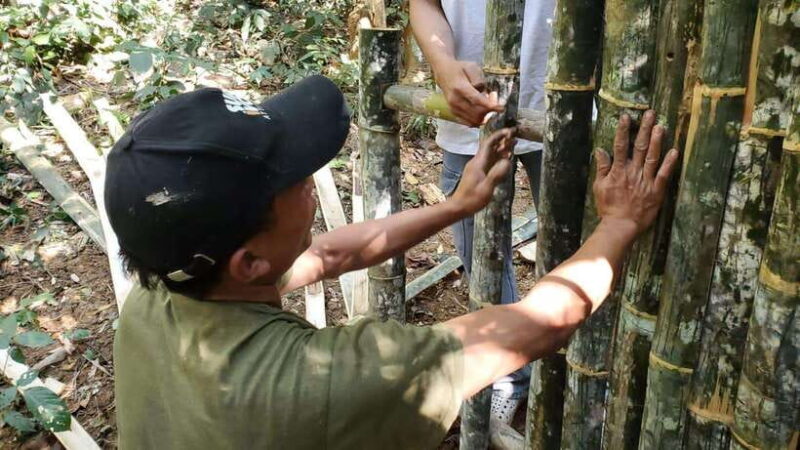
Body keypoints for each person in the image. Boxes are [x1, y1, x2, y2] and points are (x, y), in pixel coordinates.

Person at [107, 75, 677, 449]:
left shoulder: (161, 294)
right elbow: (538, 324)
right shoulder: (331, 384)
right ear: (249, 262)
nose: (312, 184)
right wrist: (621, 223)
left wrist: (459, 205)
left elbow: (331, 252)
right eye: (297, 182)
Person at [409, 0, 556, 419]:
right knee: (482, 259)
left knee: (573, 248)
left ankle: (571, 368)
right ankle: (510, 376)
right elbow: (423, 4)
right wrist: (443, 65)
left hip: (568, 103)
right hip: (470, 112)